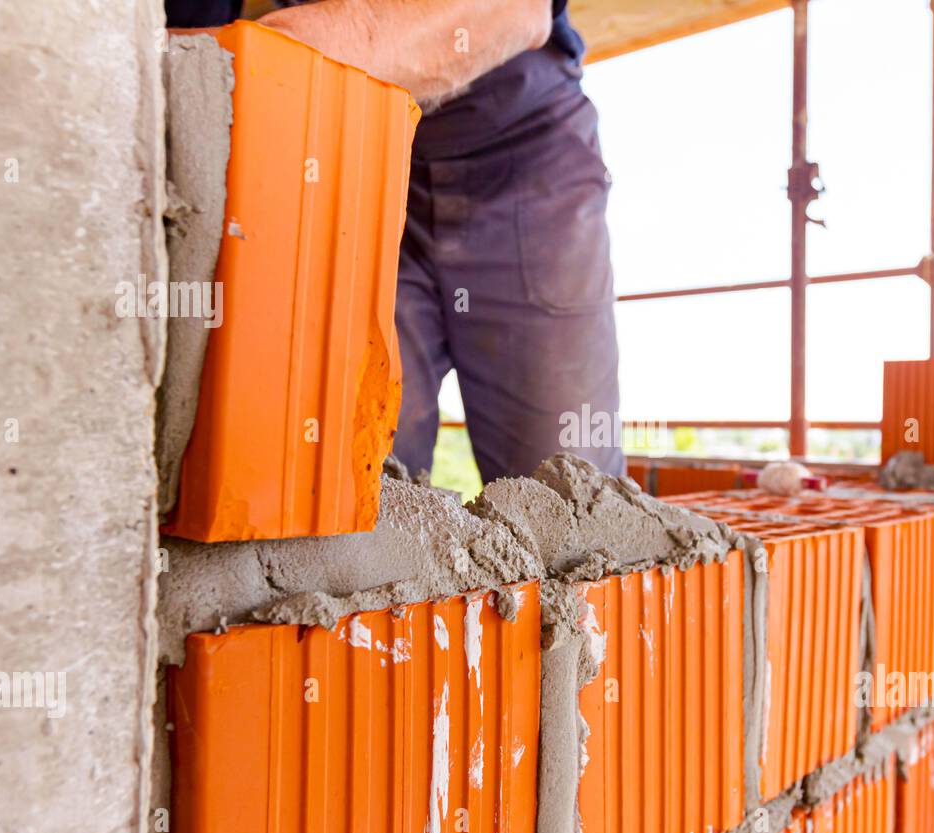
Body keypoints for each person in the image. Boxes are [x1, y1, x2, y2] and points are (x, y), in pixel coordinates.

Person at [167, 0, 624, 483]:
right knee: (357, 474)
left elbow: (516, 8)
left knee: (569, 487)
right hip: (361, 154)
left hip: (521, 151)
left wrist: (282, 52)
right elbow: (189, 50)